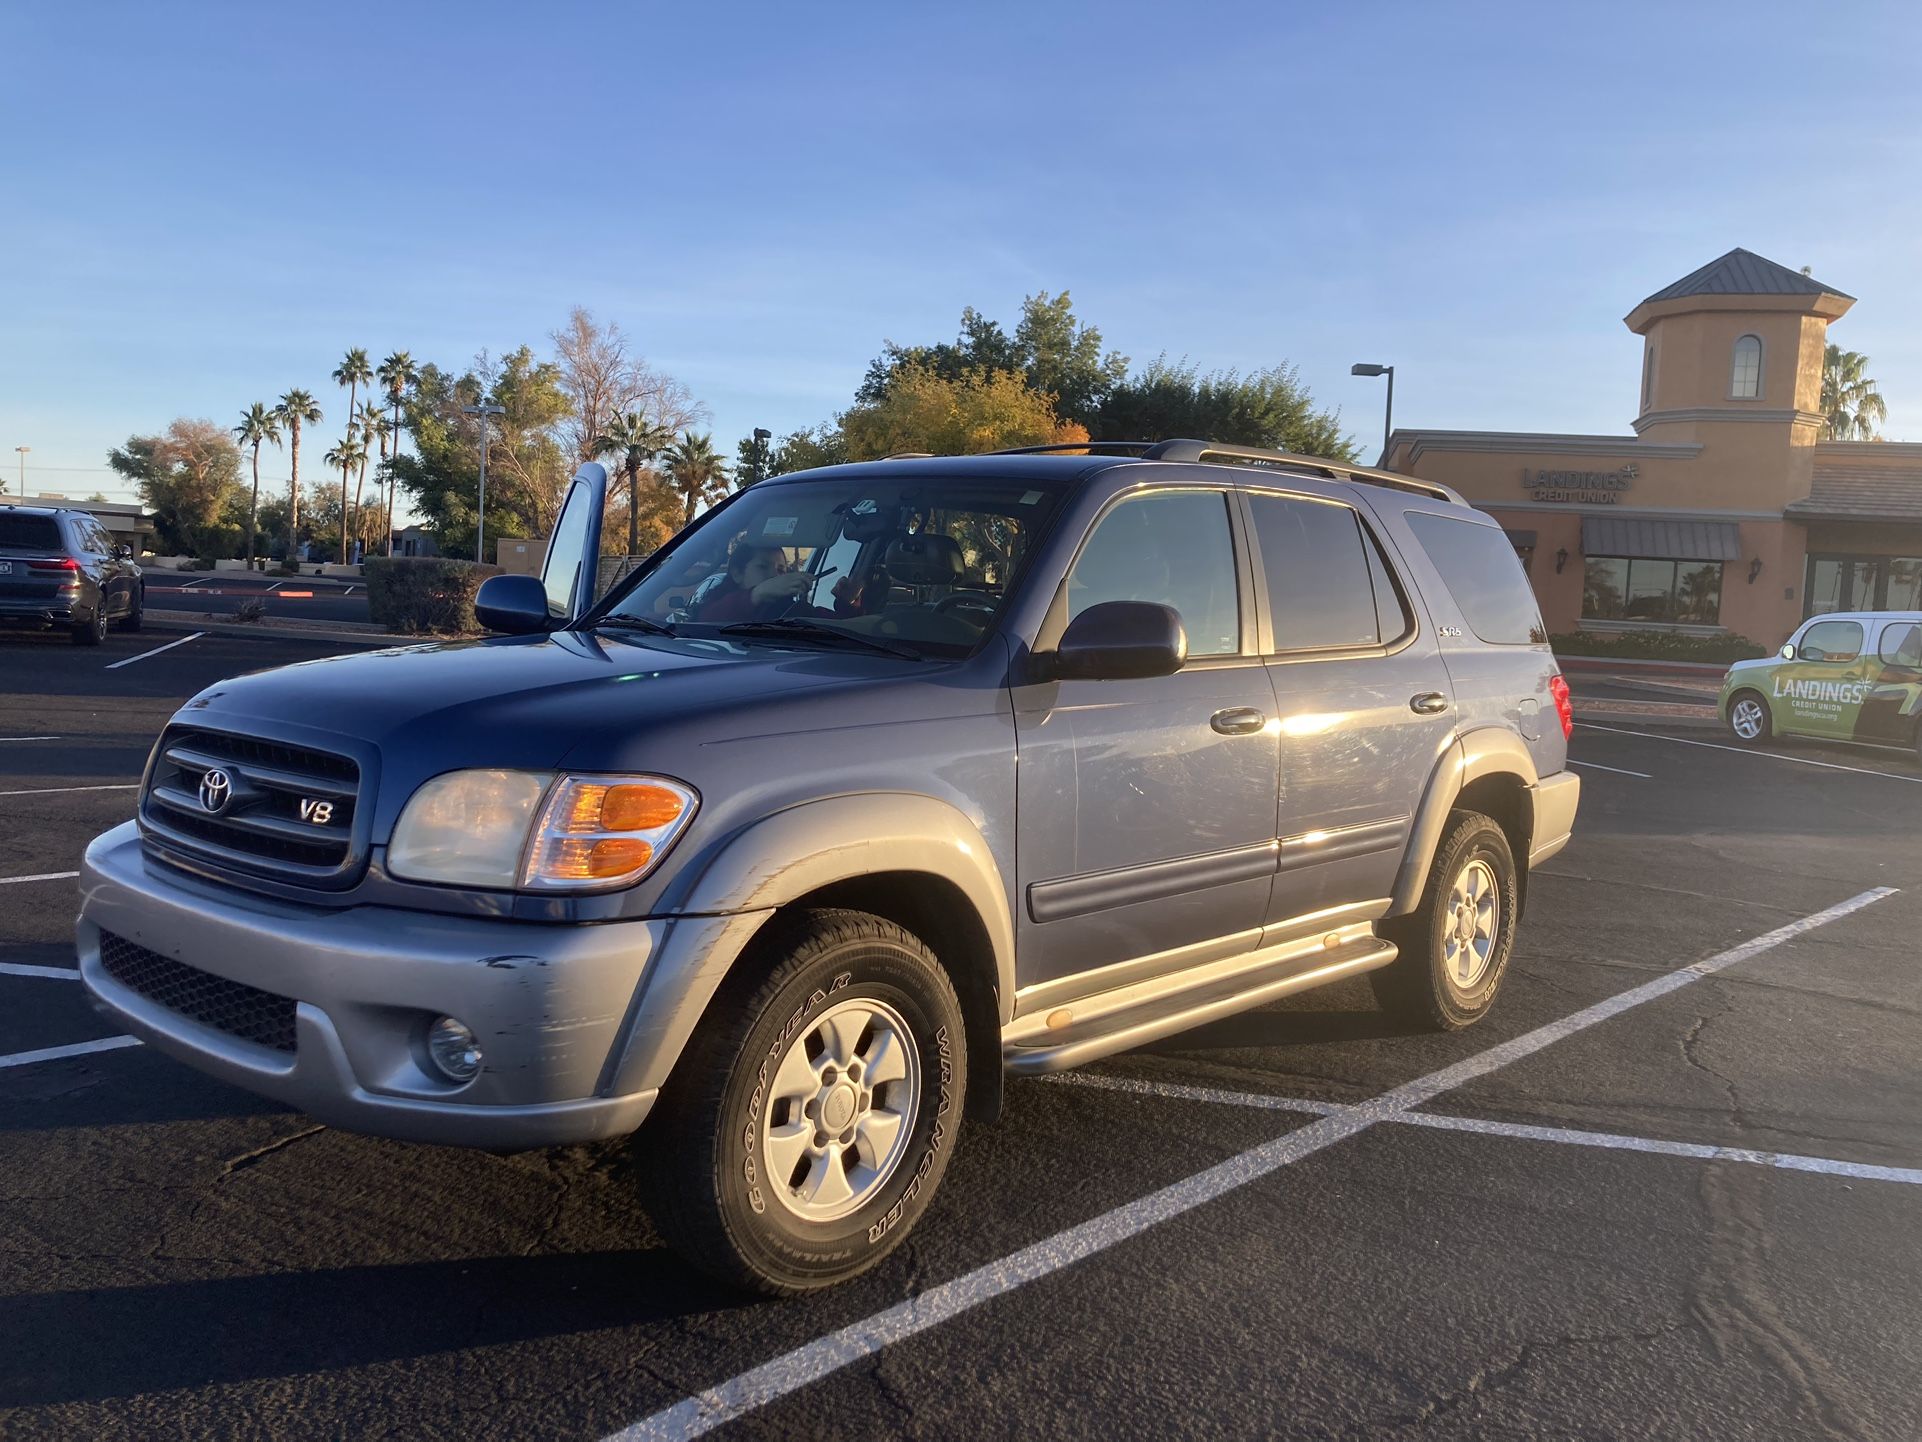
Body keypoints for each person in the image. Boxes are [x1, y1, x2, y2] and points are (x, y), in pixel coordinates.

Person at [693, 542, 874, 623]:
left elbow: (851, 633)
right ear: (737, 573)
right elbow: (705, 621)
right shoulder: (719, 608)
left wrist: (846, 602)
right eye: (763, 567)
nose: (774, 575)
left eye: (781, 570)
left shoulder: (796, 612)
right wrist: (758, 593)